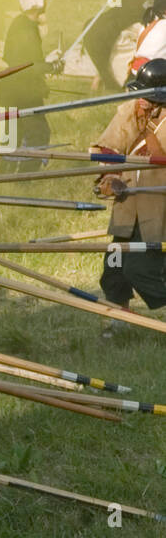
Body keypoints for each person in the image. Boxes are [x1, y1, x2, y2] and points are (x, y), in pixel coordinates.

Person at [93, 58, 166, 332]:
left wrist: (150, 135)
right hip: (128, 206)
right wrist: (109, 177)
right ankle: (117, 324)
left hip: (158, 208)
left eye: (148, 97)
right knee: (114, 270)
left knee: (141, 270)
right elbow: (109, 151)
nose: (142, 102)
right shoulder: (131, 111)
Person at [0, 0, 52, 173]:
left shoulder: (21, 23)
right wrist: (50, 67)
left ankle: (5, 174)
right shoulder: (26, 32)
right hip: (23, 92)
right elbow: (25, 66)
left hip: (12, 89)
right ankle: (26, 176)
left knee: (14, 133)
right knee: (39, 133)